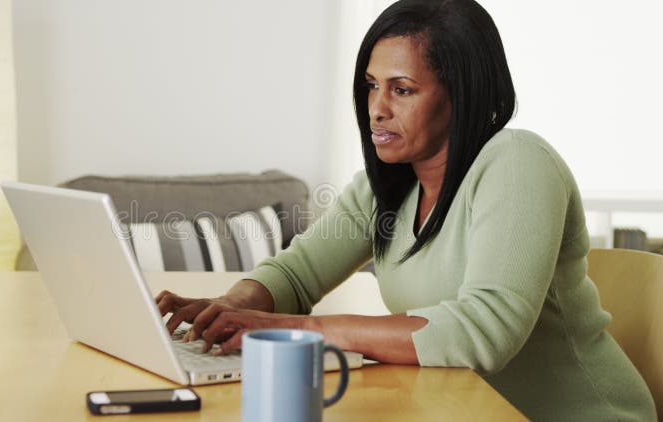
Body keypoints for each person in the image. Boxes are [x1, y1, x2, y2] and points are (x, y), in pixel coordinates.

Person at [156, 0, 657, 419]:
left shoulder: (518, 163)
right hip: (463, 410)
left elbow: (486, 331)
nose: (376, 107)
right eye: (372, 86)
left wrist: (304, 329)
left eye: (402, 89)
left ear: (461, 95)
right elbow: (298, 273)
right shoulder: (389, 187)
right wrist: (231, 306)